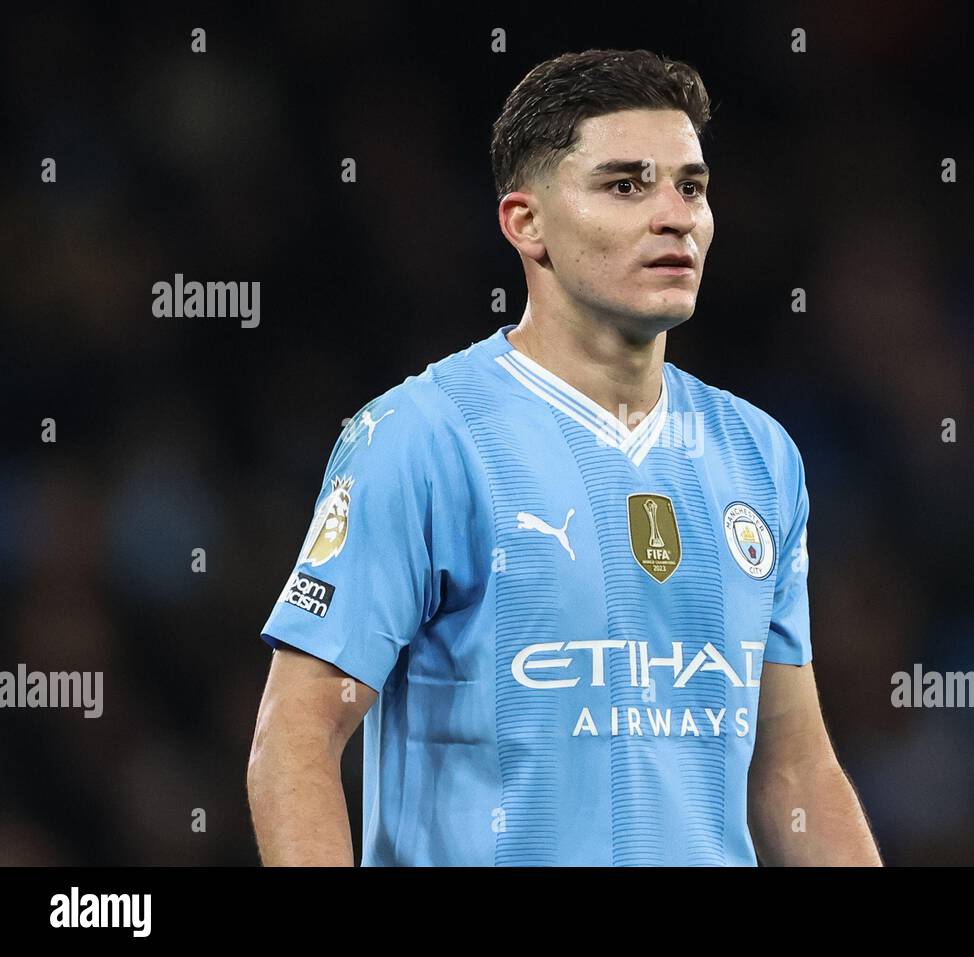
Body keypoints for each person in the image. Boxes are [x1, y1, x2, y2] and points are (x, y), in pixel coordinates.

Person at [247, 48, 883, 866]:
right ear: (526, 222)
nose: (676, 215)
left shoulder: (760, 454)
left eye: (691, 186)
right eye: (627, 185)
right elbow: (294, 742)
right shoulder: (421, 437)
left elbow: (794, 768)